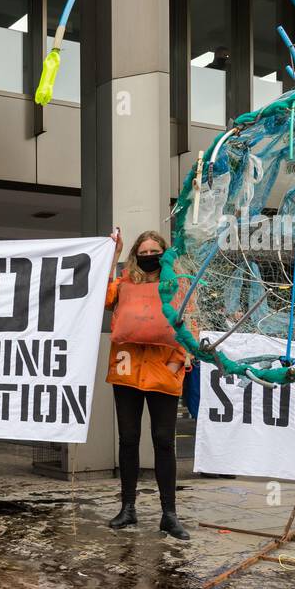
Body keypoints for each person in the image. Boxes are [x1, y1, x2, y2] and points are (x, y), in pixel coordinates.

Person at [104, 228, 191, 540]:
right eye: (144, 252)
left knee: (164, 440)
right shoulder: (125, 282)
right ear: (135, 255)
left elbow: (188, 326)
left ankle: (169, 514)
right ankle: (128, 508)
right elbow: (103, 297)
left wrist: (175, 363)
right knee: (128, 438)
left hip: (162, 369)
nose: (150, 256)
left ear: (163, 254)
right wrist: (113, 255)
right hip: (127, 368)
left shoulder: (175, 286)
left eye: (156, 251)